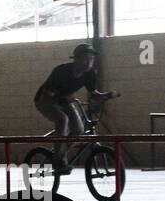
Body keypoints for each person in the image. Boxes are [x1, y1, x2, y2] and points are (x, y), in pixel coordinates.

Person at [33, 43, 118, 172]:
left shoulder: (90, 74)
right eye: (85, 58)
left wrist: (105, 96)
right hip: (45, 100)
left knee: (78, 130)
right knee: (62, 119)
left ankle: (59, 152)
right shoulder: (61, 71)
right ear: (76, 59)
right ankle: (59, 161)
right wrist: (64, 98)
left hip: (65, 100)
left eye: (91, 59)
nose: (89, 62)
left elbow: (93, 94)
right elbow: (48, 95)